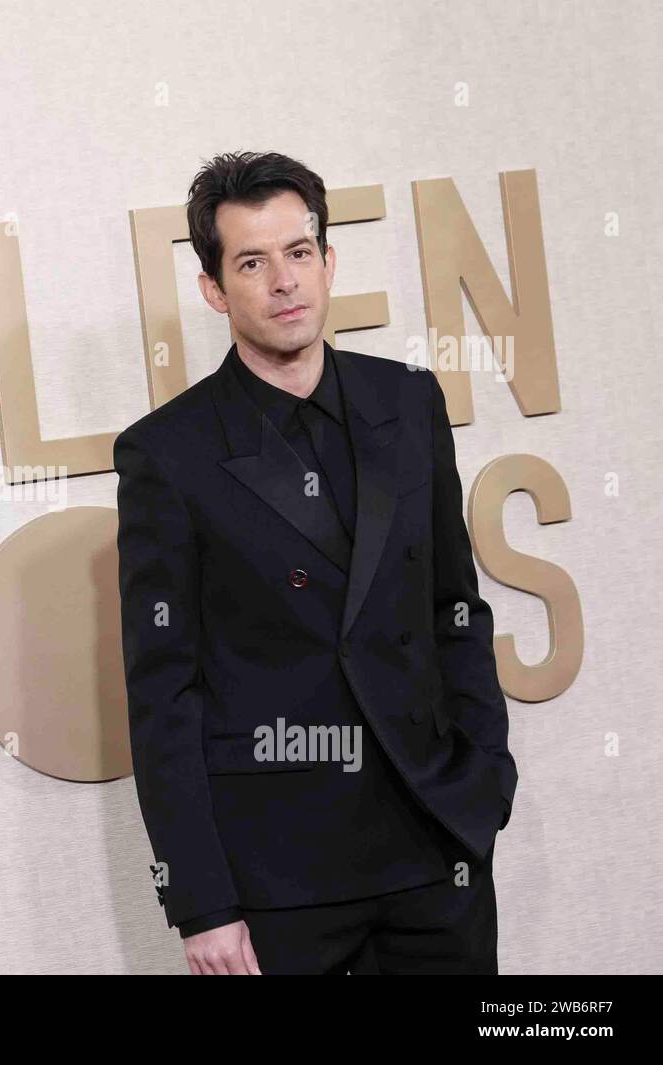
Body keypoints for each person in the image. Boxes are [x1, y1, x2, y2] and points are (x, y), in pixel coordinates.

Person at [114, 151, 517, 974]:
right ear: (215, 291)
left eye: (299, 253)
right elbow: (164, 693)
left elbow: (455, 605)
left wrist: (485, 775)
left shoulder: (407, 401)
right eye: (252, 263)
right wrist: (203, 903)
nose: (284, 282)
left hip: (436, 851)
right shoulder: (168, 454)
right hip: (279, 886)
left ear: (329, 262)